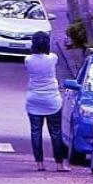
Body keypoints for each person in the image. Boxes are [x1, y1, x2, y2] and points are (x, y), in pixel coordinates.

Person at [24, 31, 69, 173]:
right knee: (55, 132)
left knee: (35, 131)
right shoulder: (53, 58)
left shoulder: (28, 59)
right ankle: (59, 164)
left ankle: (39, 164)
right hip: (52, 99)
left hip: (34, 98)